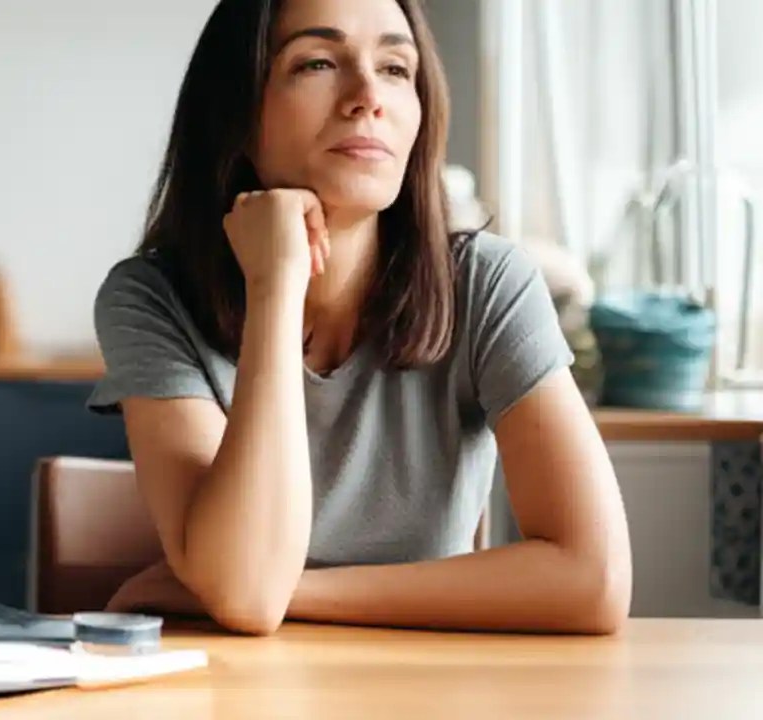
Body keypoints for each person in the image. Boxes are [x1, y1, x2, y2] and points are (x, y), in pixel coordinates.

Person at [86, 0, 632, 636]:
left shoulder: (486, 284)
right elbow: (246, 596)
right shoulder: (152, 299)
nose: (368, 96)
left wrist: (293, 591)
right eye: (317, 62)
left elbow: (593, 581)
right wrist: (275, 287)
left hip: (424, 686)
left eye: (397, 68)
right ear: (234, 111)